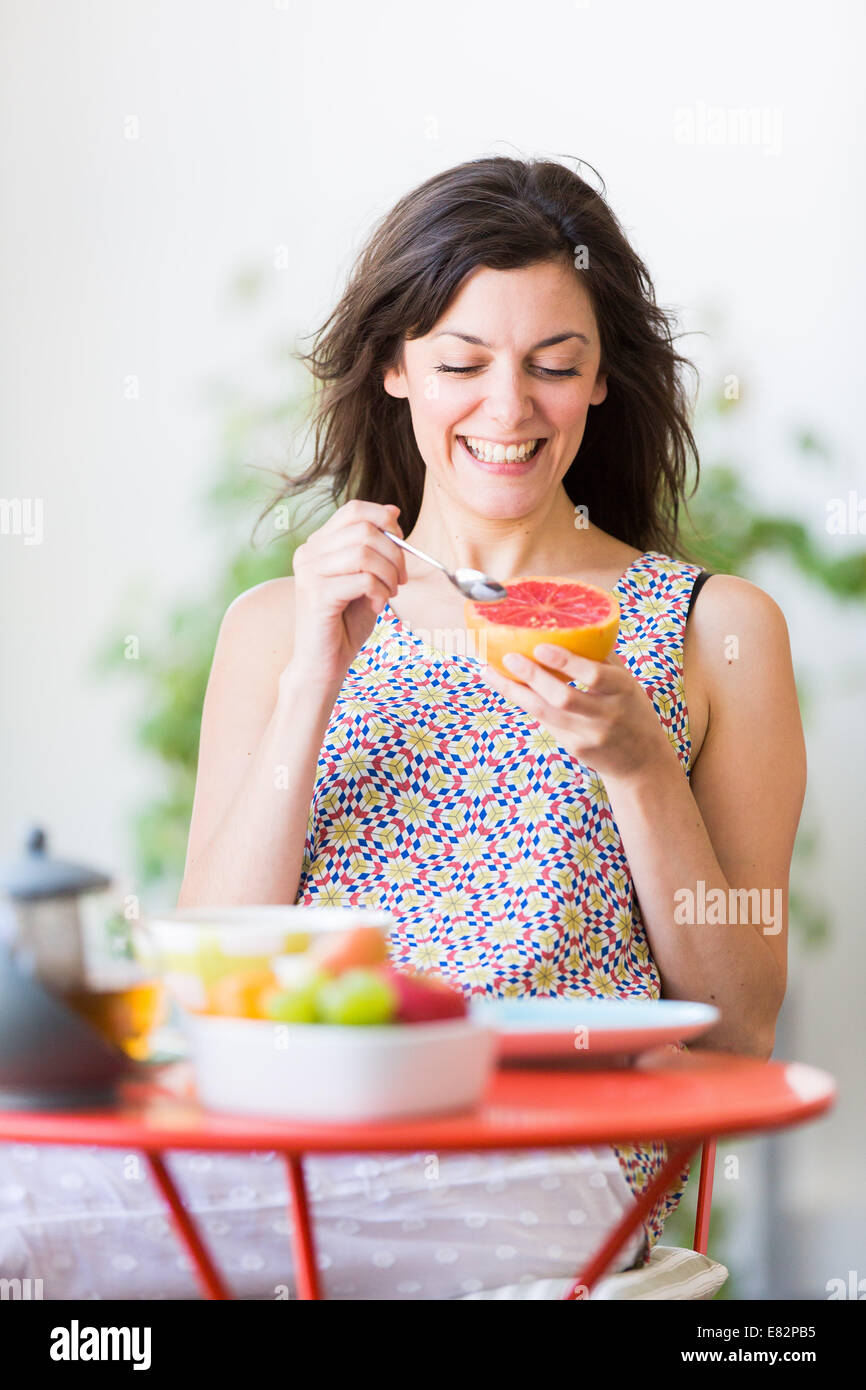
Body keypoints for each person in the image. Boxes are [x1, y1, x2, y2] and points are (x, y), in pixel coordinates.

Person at [177, 155, 806, 1299]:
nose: (507, 410)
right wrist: (313, 681)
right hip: (304, 1179)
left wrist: (639, 767)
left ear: (602, 378)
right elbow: (211, 982)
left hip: (555, 1203)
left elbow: (738, 1030)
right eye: (461, 364)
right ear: (393, 369)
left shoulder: (714, 631)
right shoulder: (281, 622)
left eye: (552, 367)